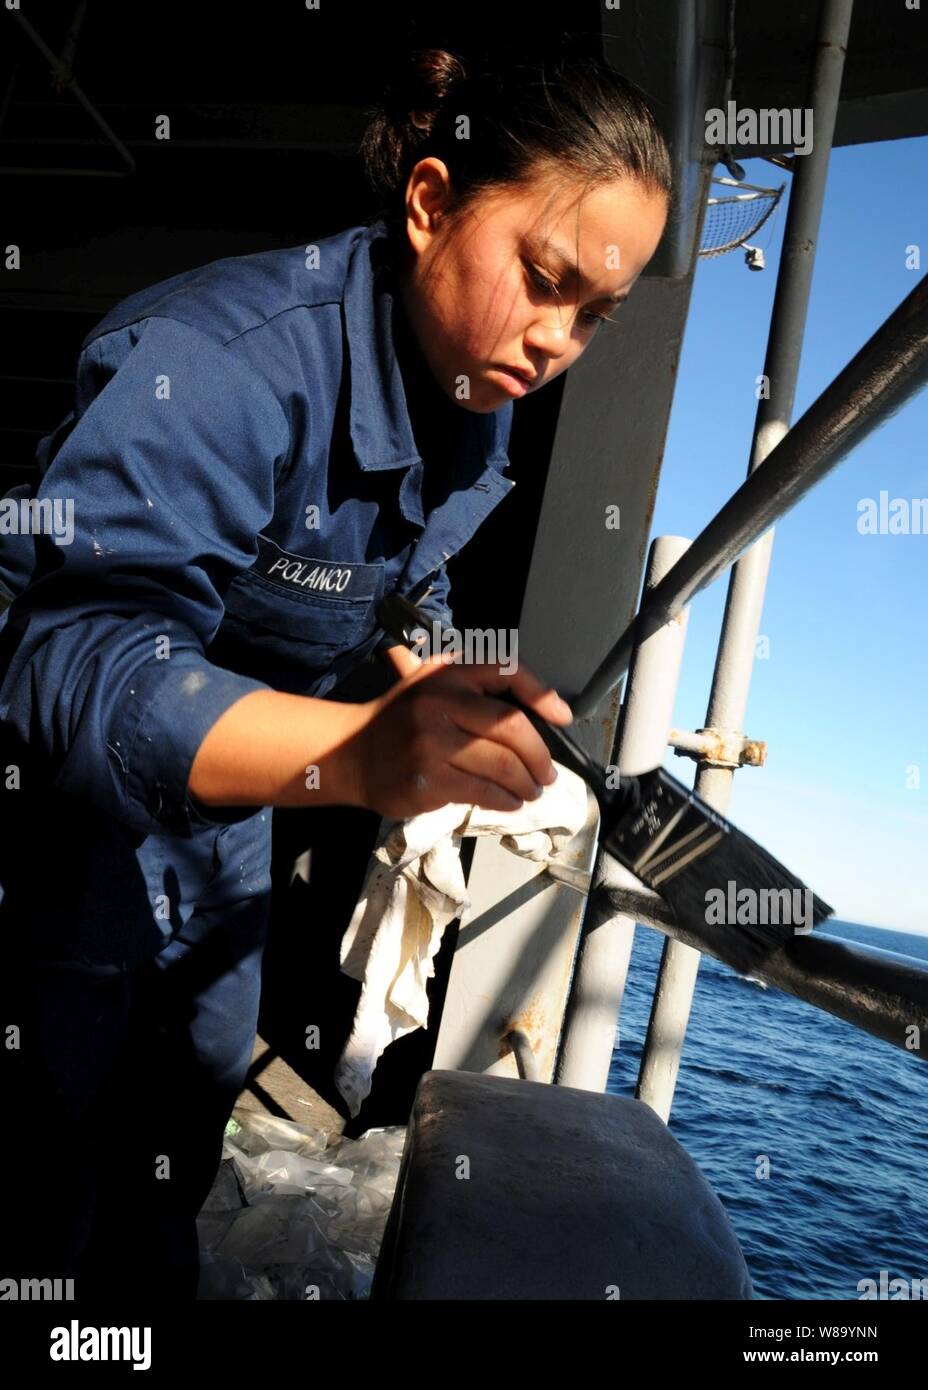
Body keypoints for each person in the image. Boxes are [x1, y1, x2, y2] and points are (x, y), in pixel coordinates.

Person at [0, 48, 670, 1300]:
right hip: (64, 803)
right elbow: (74, 663)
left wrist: (426, 663)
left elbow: (400, 574)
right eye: (544, 279)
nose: (557, 338)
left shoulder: (478, 399)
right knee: (42, 1139)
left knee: (178, 1118)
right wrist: (360, 754)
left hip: (233, 806)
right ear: (427, 204)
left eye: (596, 314)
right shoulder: (215, 363)